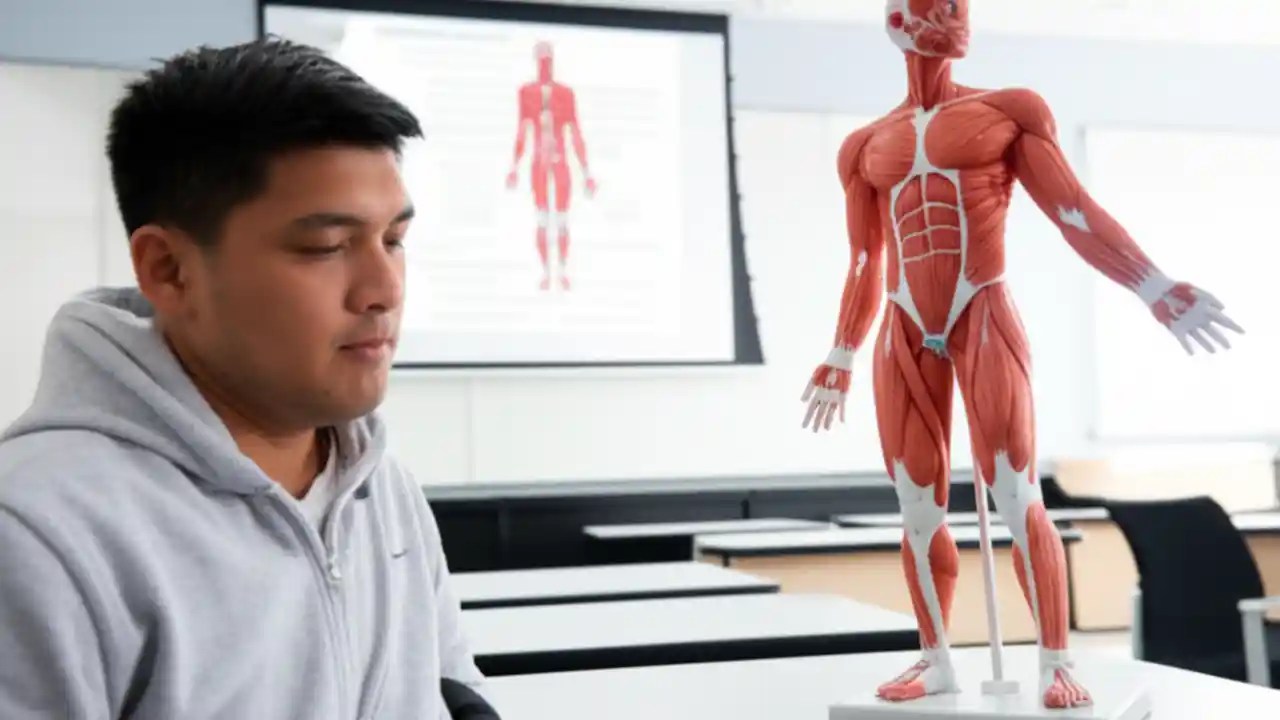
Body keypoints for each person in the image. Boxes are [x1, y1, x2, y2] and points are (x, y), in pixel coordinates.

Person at [0, 37, 498, 719]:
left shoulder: (381, 489)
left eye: (394, 240)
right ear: (169, 270)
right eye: (326, 247)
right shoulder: (36, 532)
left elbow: (454, 695)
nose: (384, 288)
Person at [800, 0, 1241, 711]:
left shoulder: (1008, 110)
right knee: (917, 508)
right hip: (904, 324)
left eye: (956, 4)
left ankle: (1056, 662)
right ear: (896, 22)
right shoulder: (864, 146)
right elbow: (862, 258)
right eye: (934, 5)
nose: (952, 12)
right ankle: (936, 659)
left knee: (1016, 493)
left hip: (983, 308)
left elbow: (1073, 211)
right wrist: (841, 351)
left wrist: (1152, 285)